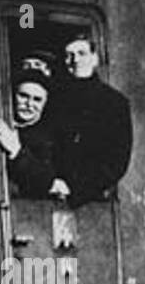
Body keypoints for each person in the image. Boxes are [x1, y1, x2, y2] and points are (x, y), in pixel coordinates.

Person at [50, 35, 133, 207]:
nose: (75, 60)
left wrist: (75, 188)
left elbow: (117, 161)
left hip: (91, 201)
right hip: (50, 194)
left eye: (82, 53)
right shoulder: (54, 98)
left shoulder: (114, 102)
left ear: (94, 59)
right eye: (69, 55)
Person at [0, 57, 58, 198]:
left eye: (37, 100)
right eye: (23, 96)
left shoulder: (48, 137)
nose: (29, 104)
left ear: (45, 103)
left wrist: (16, 151)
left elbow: (44, 182)